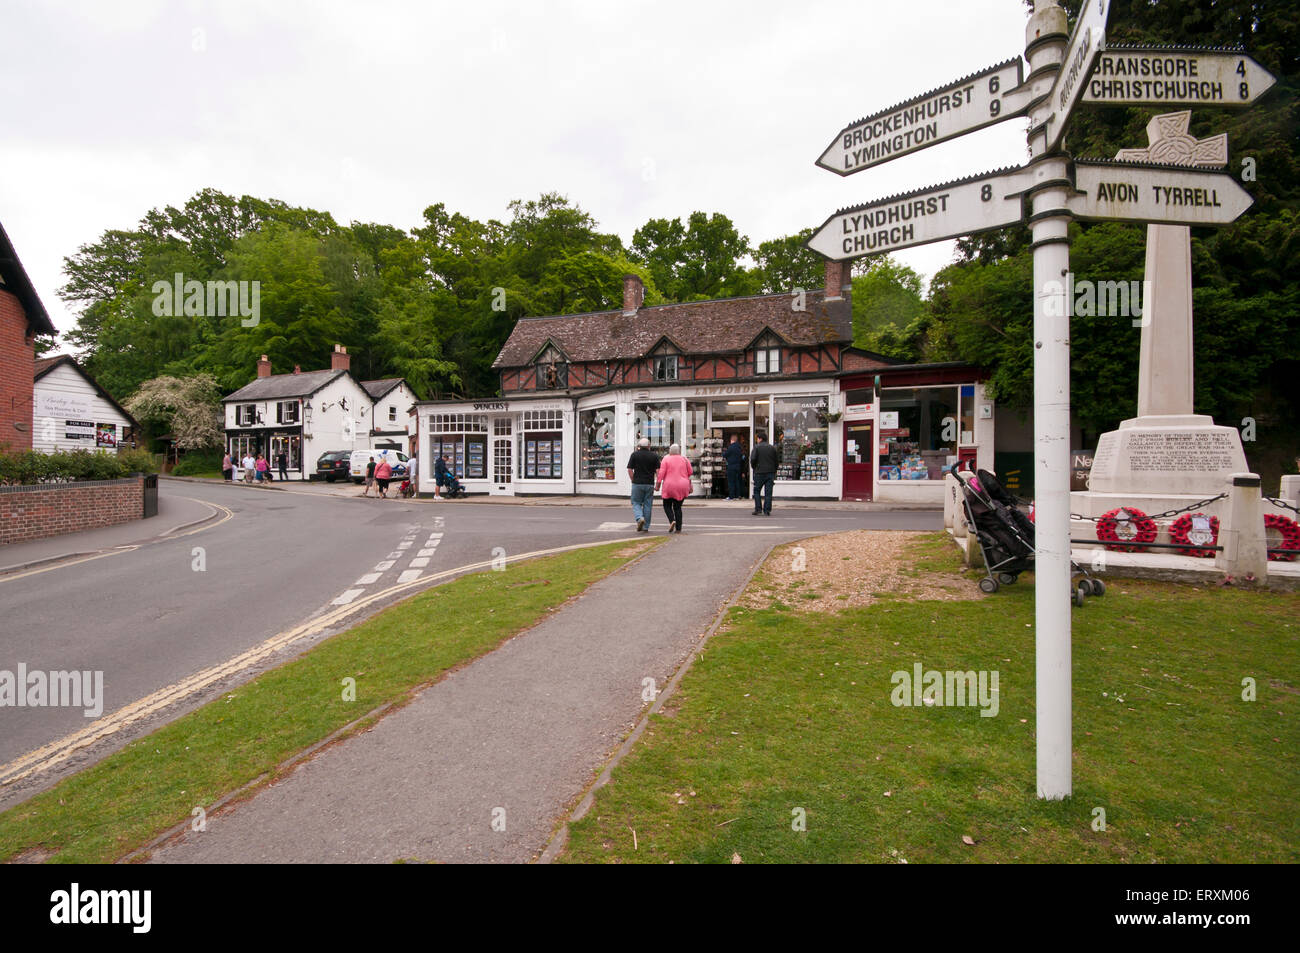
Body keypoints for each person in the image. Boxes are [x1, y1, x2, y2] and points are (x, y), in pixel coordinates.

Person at [655, 443, 693, 534]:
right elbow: (690, 472)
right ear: (679, 451)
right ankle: (678, 529)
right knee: (677, 507)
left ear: (670, 451)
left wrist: (658, 485)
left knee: (666, 505)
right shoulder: (685, 459)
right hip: (682, 485)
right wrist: (689, 485)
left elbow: (661, 474)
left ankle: (672, 520)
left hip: (669, 485)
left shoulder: (666, 459)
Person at [626, 437, 660, 532]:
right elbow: (658, 471)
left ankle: (639, 518)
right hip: (649, 484)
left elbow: (629, 469)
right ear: (649, 446)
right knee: (648, 505)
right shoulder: (654, 456)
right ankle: (646, 527)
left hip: (637, 483)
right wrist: (658, 483)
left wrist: (633, 479)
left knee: (636, 502)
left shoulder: (634, 455)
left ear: (639, 446)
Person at [750, 432, 779, 516]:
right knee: (768, 492)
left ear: (760, 439)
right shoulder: (772, 448)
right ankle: (767, 510)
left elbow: (753, 459)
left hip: (759, 472)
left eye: (757, 438)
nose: (757, 440)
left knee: (756, 491)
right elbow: (776, 461)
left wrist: (755, 468)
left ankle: (758, 509)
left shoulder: (756, 447)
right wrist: (774, 470)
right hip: (770, 472)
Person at [723, 434, 745, 500]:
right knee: (737, 481)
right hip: (738, 466)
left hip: (731, 466)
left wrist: (724, 451)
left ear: (732, 440)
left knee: (731, 482)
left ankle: (731, 496)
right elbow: (742, 457)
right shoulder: (740, 447)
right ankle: (737, 495)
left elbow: (724, 455)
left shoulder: (731, 447)